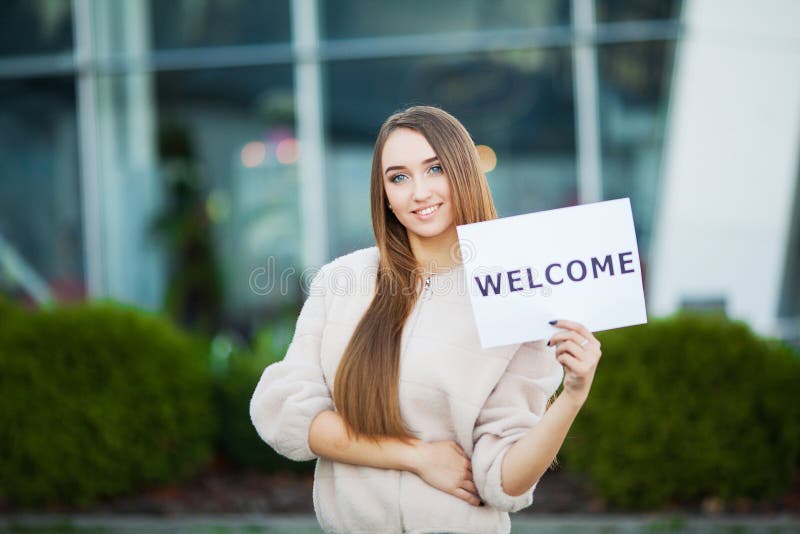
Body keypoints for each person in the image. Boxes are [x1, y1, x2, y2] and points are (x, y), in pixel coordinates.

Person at [250, 105, 603, 534]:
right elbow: (284, 414)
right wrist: (416, 456)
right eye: (398, 177)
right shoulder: (342, 281)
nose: (419, 192)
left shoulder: (514, 292)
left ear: (463, 172)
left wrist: (572, 396)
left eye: (435, 169)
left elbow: (503, 481)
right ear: (384, 193)